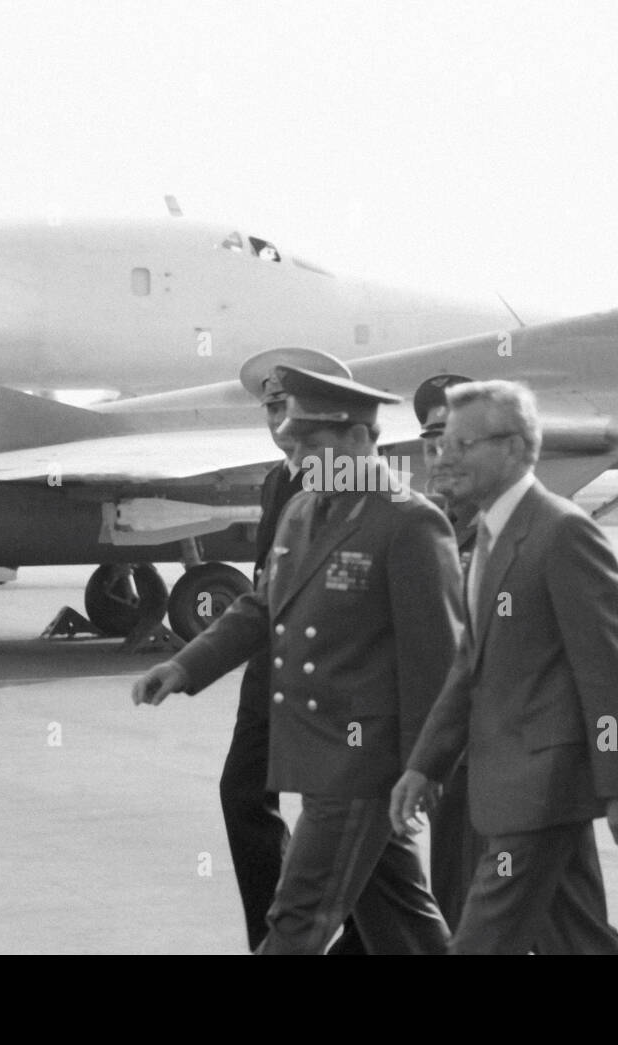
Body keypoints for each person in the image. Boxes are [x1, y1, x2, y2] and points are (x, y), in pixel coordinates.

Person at [135, 366, 462, 954]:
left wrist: (426, 767)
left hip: (362, 765)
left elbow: (435, 659)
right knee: (402, 921)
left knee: (296, 919)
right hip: (315, 752)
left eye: (311, 445)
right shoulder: (303, 511)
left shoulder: (407, 522)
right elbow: (263, 605)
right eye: (293, 445)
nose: (298, 457)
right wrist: (187, 666)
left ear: (359, 438)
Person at [390, 379, 618, 954]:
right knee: (579, 941)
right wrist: (426, 764)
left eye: (462, 445)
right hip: (511, 787)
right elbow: (470, 668)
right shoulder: (489, 533)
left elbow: (610, 673)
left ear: (512, 448)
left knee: (480, 941)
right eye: (442, 444)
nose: (444, 457)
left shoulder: (561, 532)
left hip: (542, 790)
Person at [220, 347, 356, 952]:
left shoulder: (360, 486)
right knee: (243, 792)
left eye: (291, 408)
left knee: (349, 822)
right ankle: (273, 938)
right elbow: (266, 588)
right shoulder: (279, 481)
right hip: (270, 667)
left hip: (334, 672)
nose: (280, 422)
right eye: (271, 408)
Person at [412, 373, 487, 932]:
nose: (439, 456)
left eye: (454, 441)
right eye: (430, 442)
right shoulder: (424, 527)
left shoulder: (522, 527)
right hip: (444, 738)